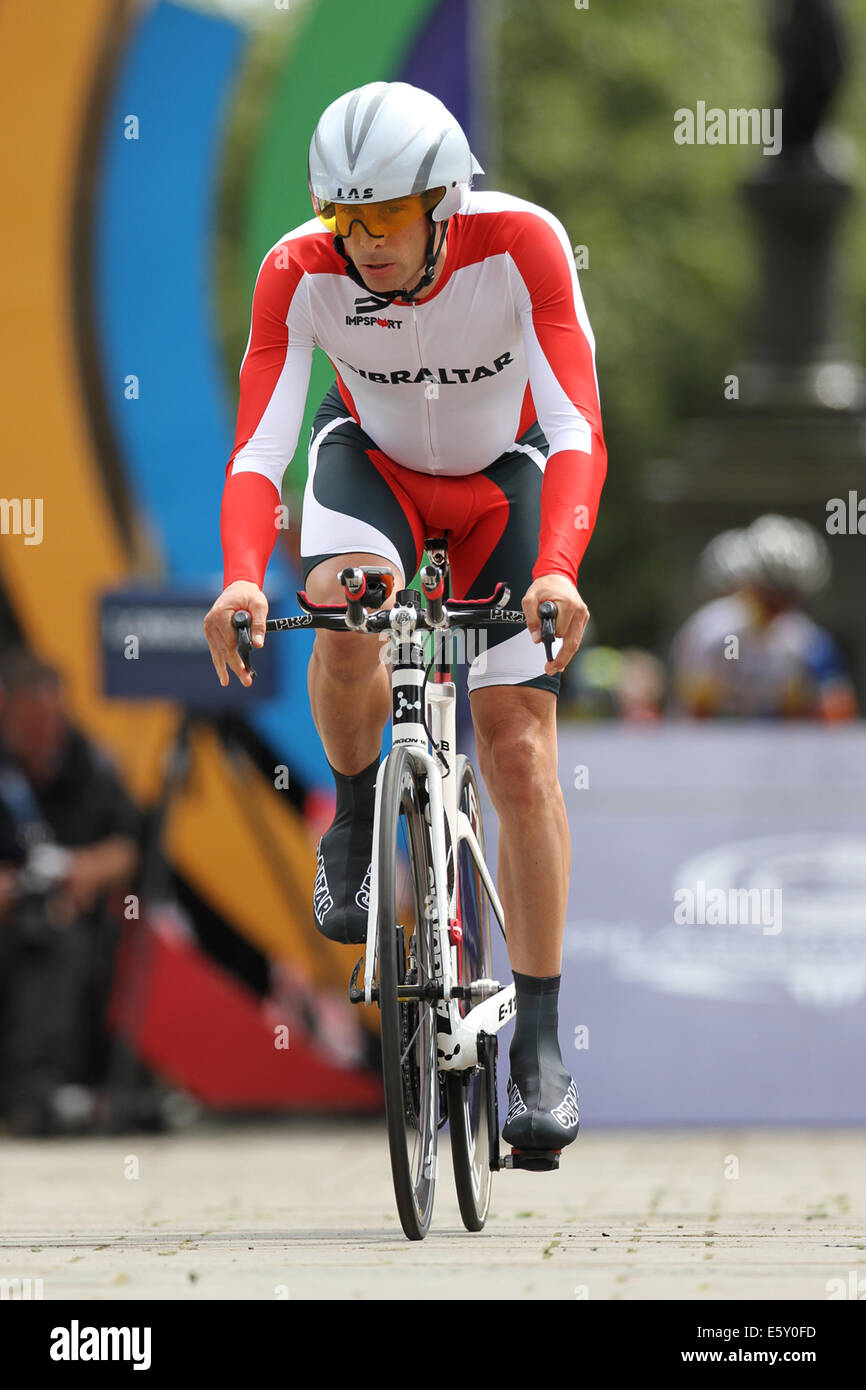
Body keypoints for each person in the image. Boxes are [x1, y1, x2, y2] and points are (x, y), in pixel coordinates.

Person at [204, 82, 607, 1155]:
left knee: (517, 748)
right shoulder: (298, 268)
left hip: (504, 484)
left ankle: (539, 1041)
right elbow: (260, 450)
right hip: (369, 465)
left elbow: (574, 428)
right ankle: (351, 812)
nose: (361, 242)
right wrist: (244, 574)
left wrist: (556, 569)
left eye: (382, 216)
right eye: (344, 216)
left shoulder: (521, 242)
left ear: (442, 197)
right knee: (337, 603)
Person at [0, 650, 142, 1134]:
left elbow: (130, 845)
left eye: (51, 720)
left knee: (61, 940)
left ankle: (47, 1092)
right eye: (31, 721)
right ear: (7, 711)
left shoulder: (87, 761)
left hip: (70, 921)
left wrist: (90, 868)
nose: (44, 733)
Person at [670, 514, 857, 720]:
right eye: (768, 596)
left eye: (788, 599)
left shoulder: (805, 641)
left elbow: (836, 711)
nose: (778, 609)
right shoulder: (710, 633)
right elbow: (690, 713)